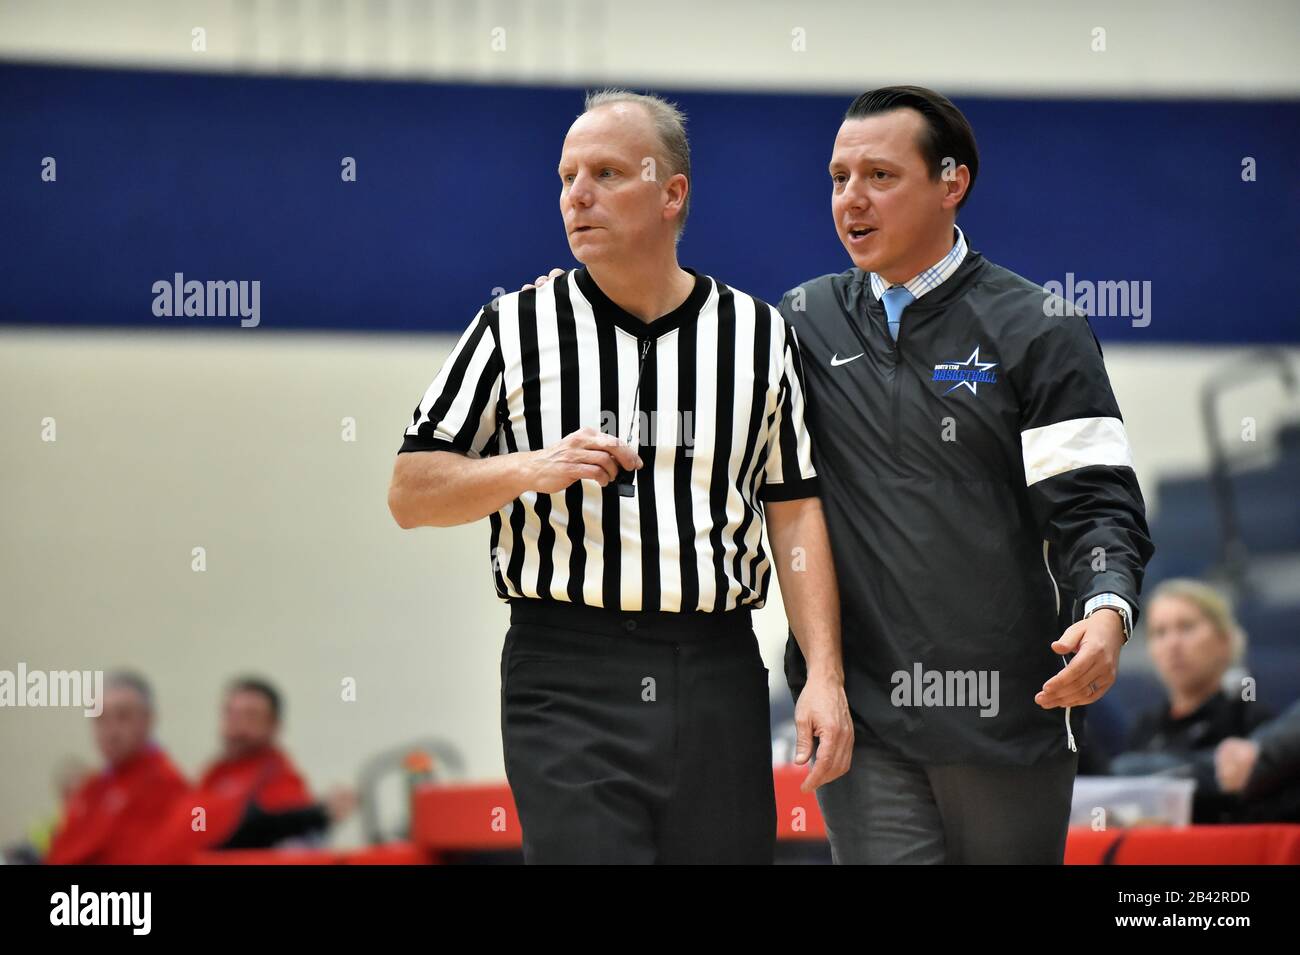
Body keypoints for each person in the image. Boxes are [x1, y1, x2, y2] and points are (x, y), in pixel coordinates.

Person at [389, 89, 851, 864]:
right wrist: (531, 467)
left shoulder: (758, 334)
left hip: (717, 666)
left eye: (604, 173)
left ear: (671, 193)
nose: (576, 194)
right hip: (566, 668)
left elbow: (795, 512)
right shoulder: (513, 327)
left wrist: (825, 675)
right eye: (567, 176)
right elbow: (411, 491)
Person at [780, 86, 1154, 863]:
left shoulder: (1038, 326)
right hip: (865, 720)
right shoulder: (801, 321)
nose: (851, 198)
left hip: (1009, 714)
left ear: (952, 183)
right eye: (838, 177)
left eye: (880, 176)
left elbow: (1095, 503)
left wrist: (1108, 608)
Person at [1110, 579, 1273, 822]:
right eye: (1160, 632)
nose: (1172, 644)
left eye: (1186, 627)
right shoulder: (1145, 726)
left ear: (1225, 640)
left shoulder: (1250, 721)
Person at [144, 677, 355, 861]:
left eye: (251, 716)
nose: (238, 726)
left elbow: (283, 842)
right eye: (231, 715)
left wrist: (316, 814)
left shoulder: (278, 779)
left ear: (274, 725)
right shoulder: (214, 774)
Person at [44, 672, 189, 865]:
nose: (111, 731)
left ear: (148, 720)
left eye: (123, 717)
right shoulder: (91, 788)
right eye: (101, 719)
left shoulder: (166, 787)